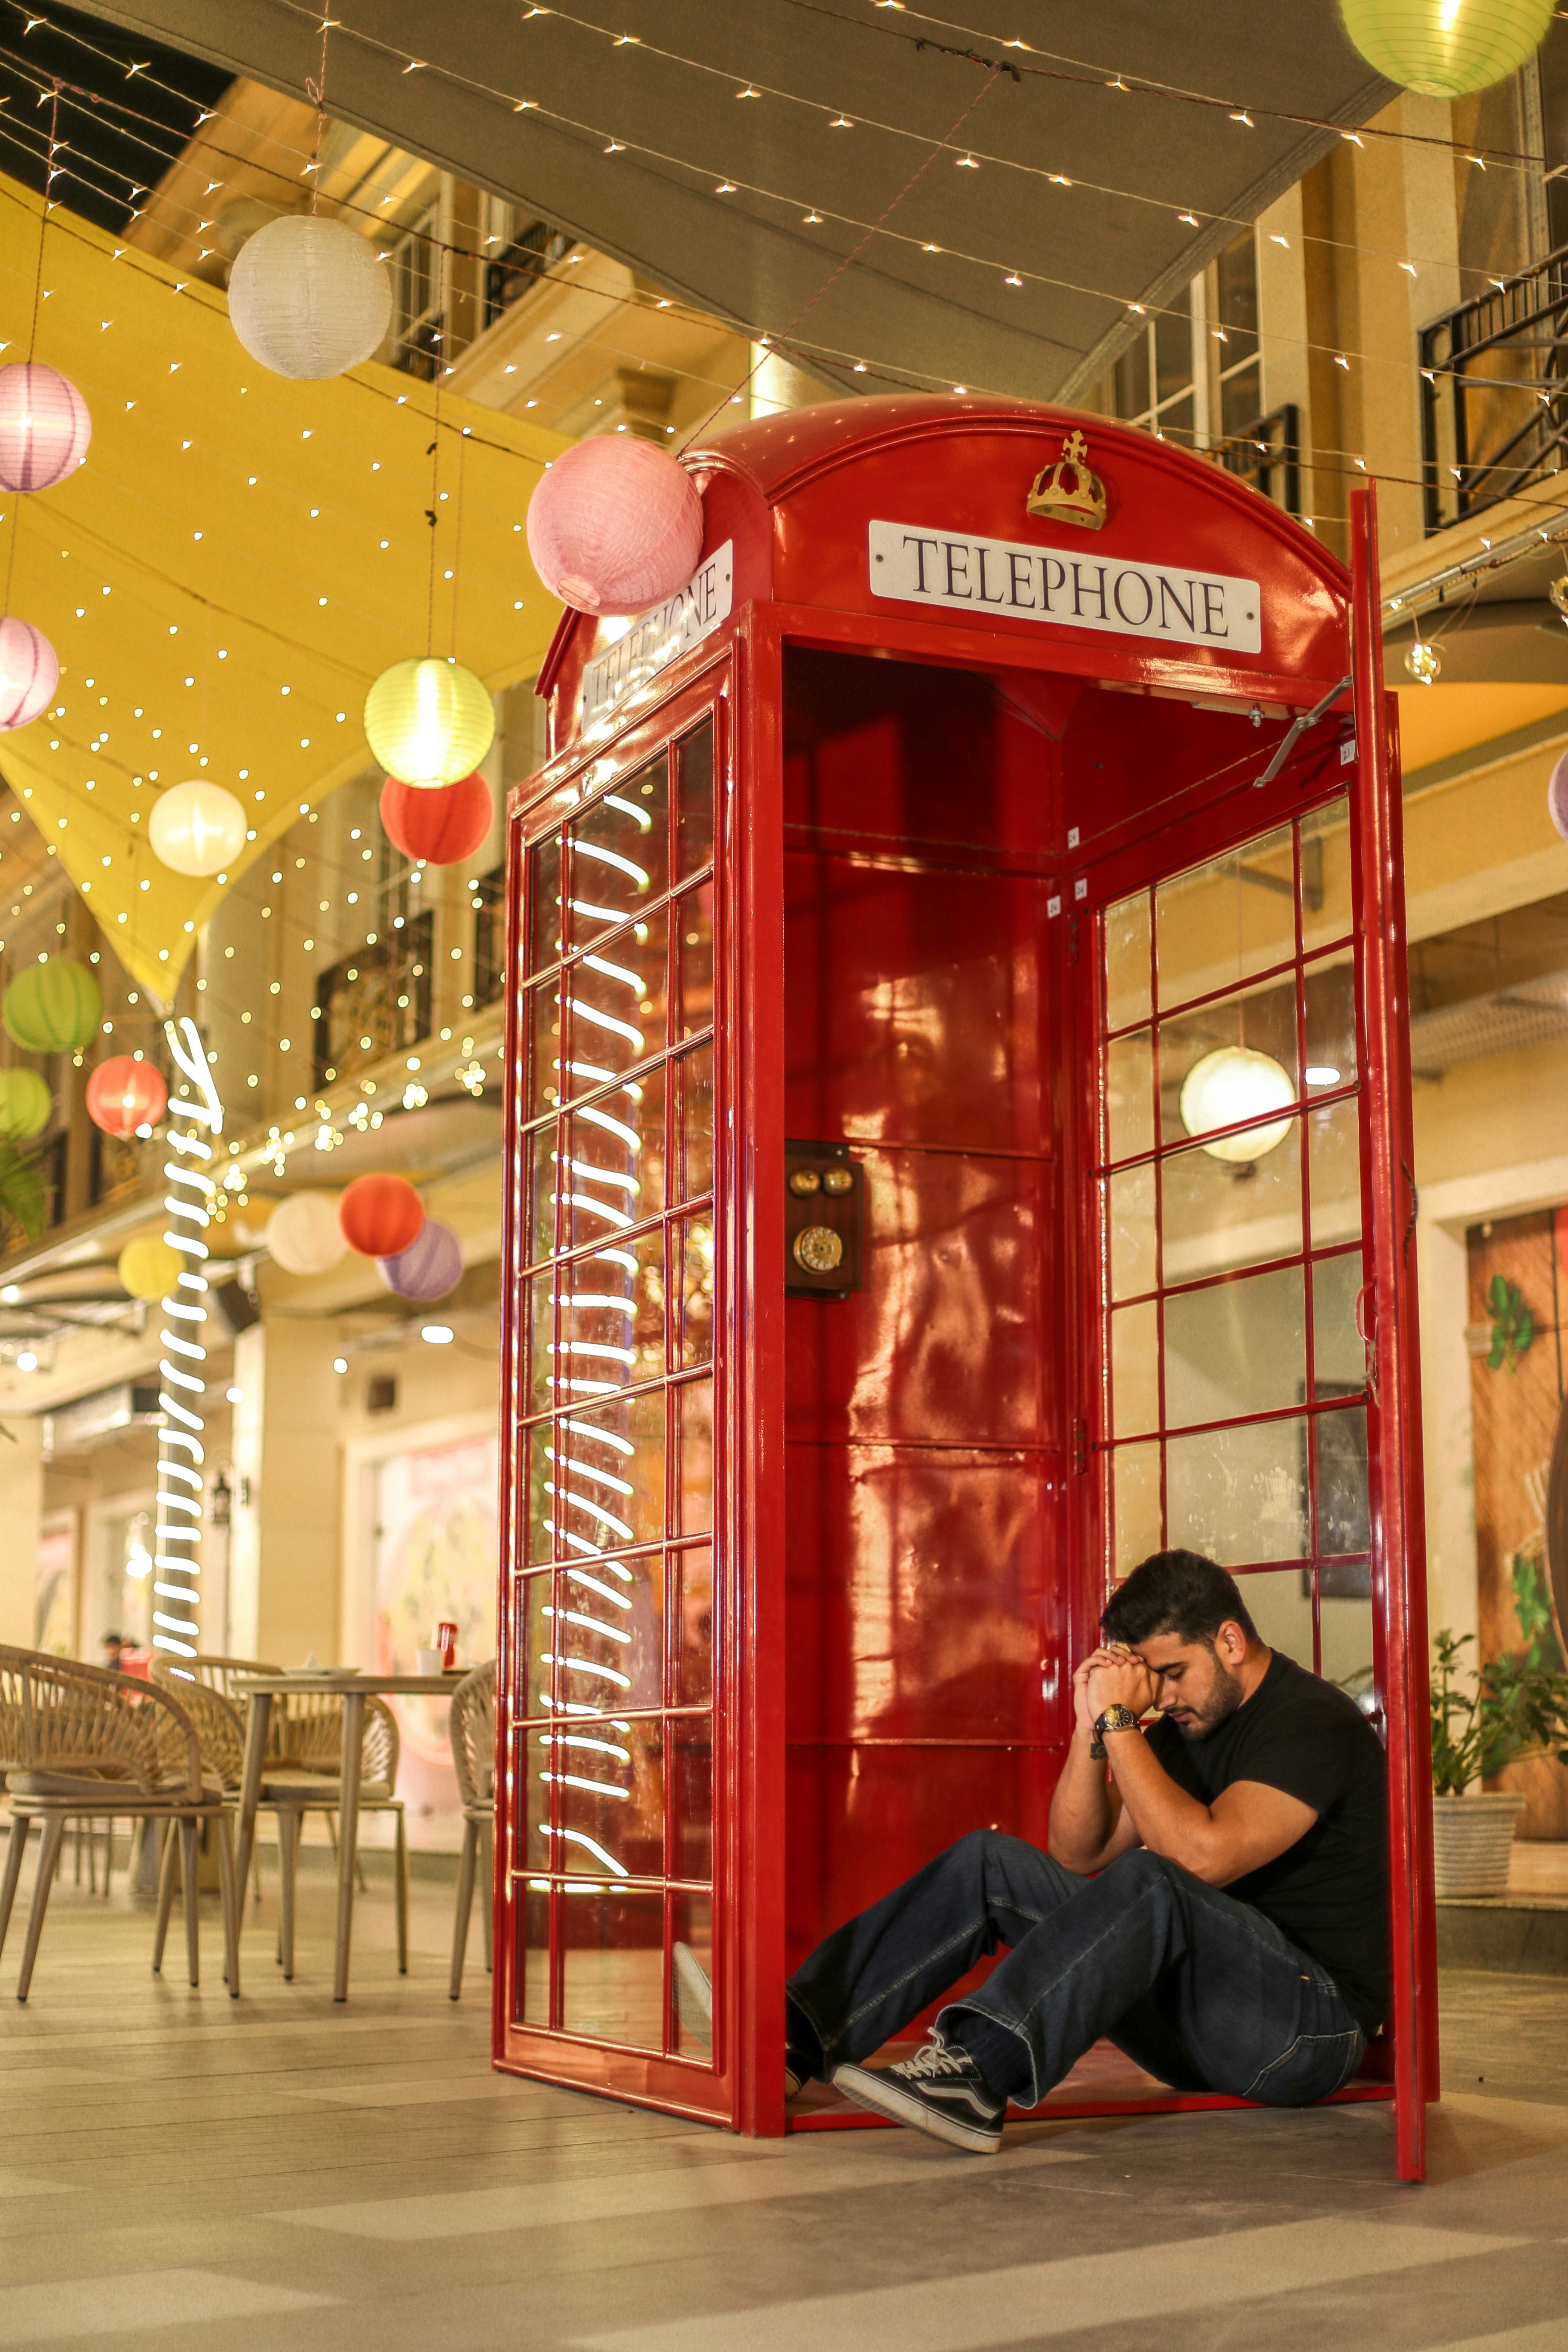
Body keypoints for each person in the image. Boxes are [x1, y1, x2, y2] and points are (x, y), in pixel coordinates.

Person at [782, 1548, 1389, 2153]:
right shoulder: (1189, 1729)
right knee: (989, 1864)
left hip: (1308, 2033)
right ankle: (797, 2037)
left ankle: (979, 2074)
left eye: (1173, 1672)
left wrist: (1123, 1719)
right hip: (1202, 2027)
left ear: (1230, 1641)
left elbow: (1202, 1859)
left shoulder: (1313, 1724)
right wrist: (1090, 1726)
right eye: (1151, 1680)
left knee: (1157, 1876)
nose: (1166, 1697)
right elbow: (1078, 1853)